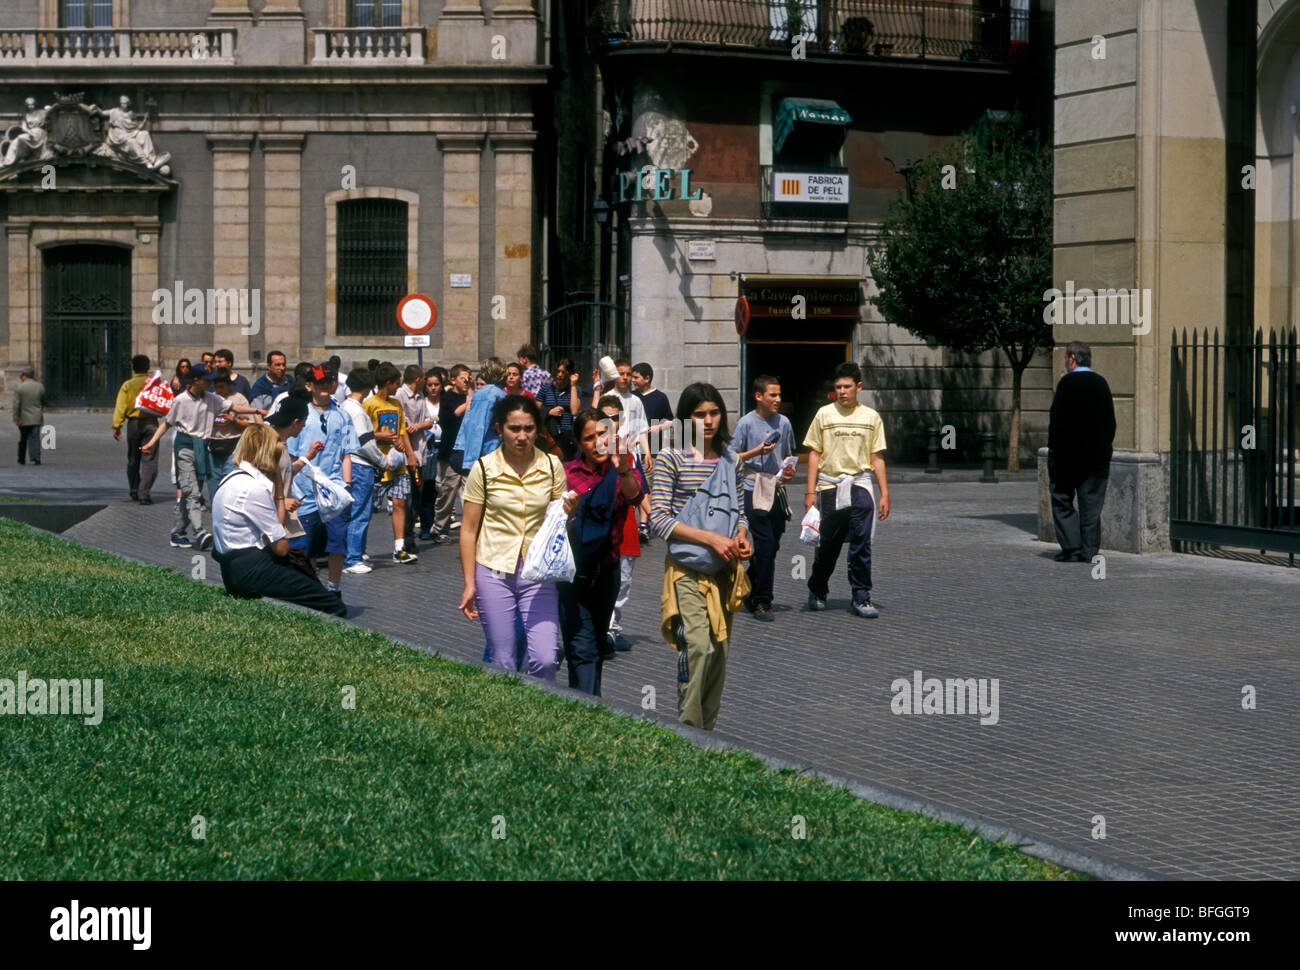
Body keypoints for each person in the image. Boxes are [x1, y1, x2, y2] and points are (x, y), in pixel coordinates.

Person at [650, 383, 752, 732]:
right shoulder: (671, 457)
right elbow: (659, 519)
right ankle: (687, 732)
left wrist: (740, 536)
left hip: (723, 573)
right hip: (686, 571)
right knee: (698, 648)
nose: (707, 421)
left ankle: (707, 734)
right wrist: (710, 538)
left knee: (719, 656)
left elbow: (739, 512)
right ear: (685, 418)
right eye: (698, 414)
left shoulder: (730, 459)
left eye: (713, 413)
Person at [458, 394, 566, 680]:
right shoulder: (484, 468)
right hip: (493, 570)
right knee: (503, 661)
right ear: (499, 429)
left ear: (538, 429)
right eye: (514, 429)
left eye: (528, 428)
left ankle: (544, 718)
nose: (522, 436)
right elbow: (468, 529)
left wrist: (571, 510)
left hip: (538, 571)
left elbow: (559, 522)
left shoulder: (553, 466)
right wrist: (470, 583)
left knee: (545, 658)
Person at [211, 424, 346, 617]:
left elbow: (276, 526)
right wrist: (279, 483)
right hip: (251, 568)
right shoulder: (254, 488)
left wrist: (278, 486)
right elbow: (281, 546)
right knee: (333, 605)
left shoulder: (230, 479)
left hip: (232, 568)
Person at [559, 408, 645, 695]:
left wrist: (622, 469)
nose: (597, 442)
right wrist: (569, 516)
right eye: (588, 437)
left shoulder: (621, 467)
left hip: (607, 574)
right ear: (578, 442)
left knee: (594, 646)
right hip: (574, 576)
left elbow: (635, 497)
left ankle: (583, 704)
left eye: (602, 434)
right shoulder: (566, 473)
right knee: (581, 649)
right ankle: (588, 709)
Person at [803, 361, 890, 619]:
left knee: (861, 544)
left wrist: (884, 493)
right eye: (838, 387)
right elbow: (814, 454)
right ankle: (818, 588)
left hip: (860, 485)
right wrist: (810, 493)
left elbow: (877, 457)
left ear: (858, 387)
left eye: (847, 387)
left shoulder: (871, 417)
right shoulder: (824, 415)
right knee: (828, 544)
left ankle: (861, 596)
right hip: (829, 486)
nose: (842, 391)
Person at [286, 364, 359, 594]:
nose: (325, 386)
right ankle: (312, 588)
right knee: (309, 548)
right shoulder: (301, 416)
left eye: (329, 381)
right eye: (320, 382)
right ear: (309, 386)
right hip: (305, 493)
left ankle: (334, 588)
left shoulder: (343, 416)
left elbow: (347, 453)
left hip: (335, 491)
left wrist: (347, 486)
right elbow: (290, 454)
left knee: (337, 543)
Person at [141, 363, 231, 550]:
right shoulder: (181, 400)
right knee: (191, 491)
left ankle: (178, 532)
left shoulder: (212, 398)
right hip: (185, 448)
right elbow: (167, 423)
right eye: (207, 381)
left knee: (192, 490)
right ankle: (199, 532)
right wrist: (151, 443)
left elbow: (233, 407)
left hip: (202, 449)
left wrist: (258, 412)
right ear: (196, 380)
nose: (210, 384)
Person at [731, 375, 798, 621]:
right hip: (752, 487)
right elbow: (732, 457)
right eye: (773, 395)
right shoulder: (746, 423)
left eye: (779, 395)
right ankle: (762, 600)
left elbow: (789, 454)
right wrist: (757, 451)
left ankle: (748, 584)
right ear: (759, 396)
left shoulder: (785, 423)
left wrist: (790, 471)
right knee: (766, 543)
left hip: (776, 488)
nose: (778, 400)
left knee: (773, 544)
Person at [1048, 340, 1116, 564]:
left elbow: (1056, 423)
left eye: (1066, 358)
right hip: (1096, 460)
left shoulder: (1066, 384)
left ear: (1072, 359)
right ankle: (1089, 550)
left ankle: (1071, 547)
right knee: (1091, 506)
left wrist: (1054, 455)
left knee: (1062, 500)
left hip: (1067, 459)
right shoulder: (1101, 383)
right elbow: (1110, 423)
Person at [365, 362, 421, 565]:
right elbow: (362, 435)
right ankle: (360, 548)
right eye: (396, 383)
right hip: (378, 462)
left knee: (399, 503)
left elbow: (402, 431)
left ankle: (399, 548)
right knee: (368, 507)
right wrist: (380, 436)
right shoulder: (369, 405)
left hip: (398, 461)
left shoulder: (396, 404)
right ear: (387, 383)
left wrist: (410, 454)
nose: (398, 387)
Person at [597, 396, 640, 652]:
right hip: (602, 526)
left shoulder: (628, 449)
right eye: (605, 417)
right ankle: (604, 630)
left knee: (624, 583)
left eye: (614, 418)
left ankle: (614, 627)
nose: (610, 422)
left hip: (626, 525)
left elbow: (638, 491)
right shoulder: (592, 450)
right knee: (603, 581)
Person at [395, 364, 433, 551]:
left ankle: (409, 536)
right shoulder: (400, 396)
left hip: (421, 452)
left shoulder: (420, 397)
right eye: (424, 379)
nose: (426, 382)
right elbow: (401, 428)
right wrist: (410, 455)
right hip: (408, 455)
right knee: (407, 500)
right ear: (418, 379)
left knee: (417, 497)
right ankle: (405, 540)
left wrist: (418, 426)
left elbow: (429, 420)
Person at [433, 364, 472, 543]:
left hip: (468, 452)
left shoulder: (472, 396)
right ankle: (440, 528)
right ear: (453, 380)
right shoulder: (448, 398)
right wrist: (470, 398)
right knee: (446, 493)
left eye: (469, 377)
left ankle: (471, 529)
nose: (467, 381)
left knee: (469, 495)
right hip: (449, 453)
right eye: (463, 378)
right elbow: (456, 413)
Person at [112, 354, 158, 503]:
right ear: (148, 367)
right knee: (149, 458)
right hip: (151, 422)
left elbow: (121, 406)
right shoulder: (154, 383)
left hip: (133, 424)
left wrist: (117, 426)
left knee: (133, 458)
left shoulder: (128, 385)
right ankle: (144, 493)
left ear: (133, 367)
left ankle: (134, 489)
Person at [452, 356, 507, 472]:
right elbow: (479, 427)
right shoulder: (495, 394)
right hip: (487, 452)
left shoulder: (485, 394)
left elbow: (473, 426)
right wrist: (471, 462)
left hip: (484, 452)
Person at [207, 368, 254, 485]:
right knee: (213, 480)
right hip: (212, 445)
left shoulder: (239, 399)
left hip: (233, 445)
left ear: (228, 385)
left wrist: (233, 420)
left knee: (228, 480)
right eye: (216, 387)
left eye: (222, 387)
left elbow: (250, 425)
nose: (218, 390)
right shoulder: (210, 398)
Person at [417, 367, 445, 539]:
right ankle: (426, 526)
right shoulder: (422, 402)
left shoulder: (446, 401)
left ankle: (440, 526)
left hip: (443, 446)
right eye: (430, 385)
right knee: (427, 488)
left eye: (436, 384)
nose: (433, 388)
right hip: (427, 446)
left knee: (441, 488)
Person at [536, 358, 581, 460]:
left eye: (563, 372)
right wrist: (549, 411)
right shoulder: (546, 388)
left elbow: (574, 410)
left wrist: (573, 385)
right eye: (557, 371)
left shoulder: (575, 390)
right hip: (549, 434)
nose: (559, 375)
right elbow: (536, 409)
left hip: (567, 435)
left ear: (569, 374)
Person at [631, 361, 674, 447]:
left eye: (636, 377)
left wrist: (659, 427)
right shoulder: (631, 396)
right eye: (632, 377)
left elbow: (670, 421)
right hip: (634, 448)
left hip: (653, 448)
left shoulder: (661, 397)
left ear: (647, 378)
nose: (632, 380)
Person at [12, 367, 45, 466]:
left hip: (23, 417)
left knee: (23, 439)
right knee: (35, 438)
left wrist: (16, 418)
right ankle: (36, 458)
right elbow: (42, 401)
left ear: (25, 376)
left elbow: (16, 404)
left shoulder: (20, 387)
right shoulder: (40, 386)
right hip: (36, 416)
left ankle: (21, 458)